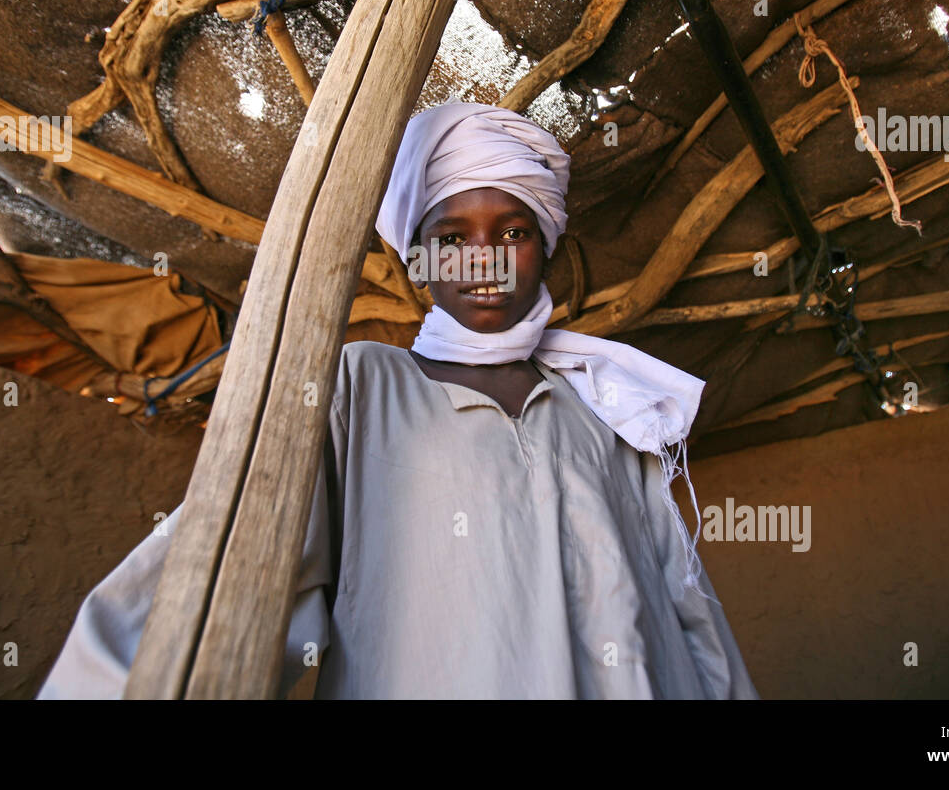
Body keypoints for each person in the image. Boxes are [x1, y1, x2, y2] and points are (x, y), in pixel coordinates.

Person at [38, 102, 758, 699]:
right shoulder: (357, 389)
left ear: (546, 246)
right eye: (451, 237)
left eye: (513, 232)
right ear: (419, 259)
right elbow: (221, 573)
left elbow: (688, 610)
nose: (484, 260)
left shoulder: (605, 405)